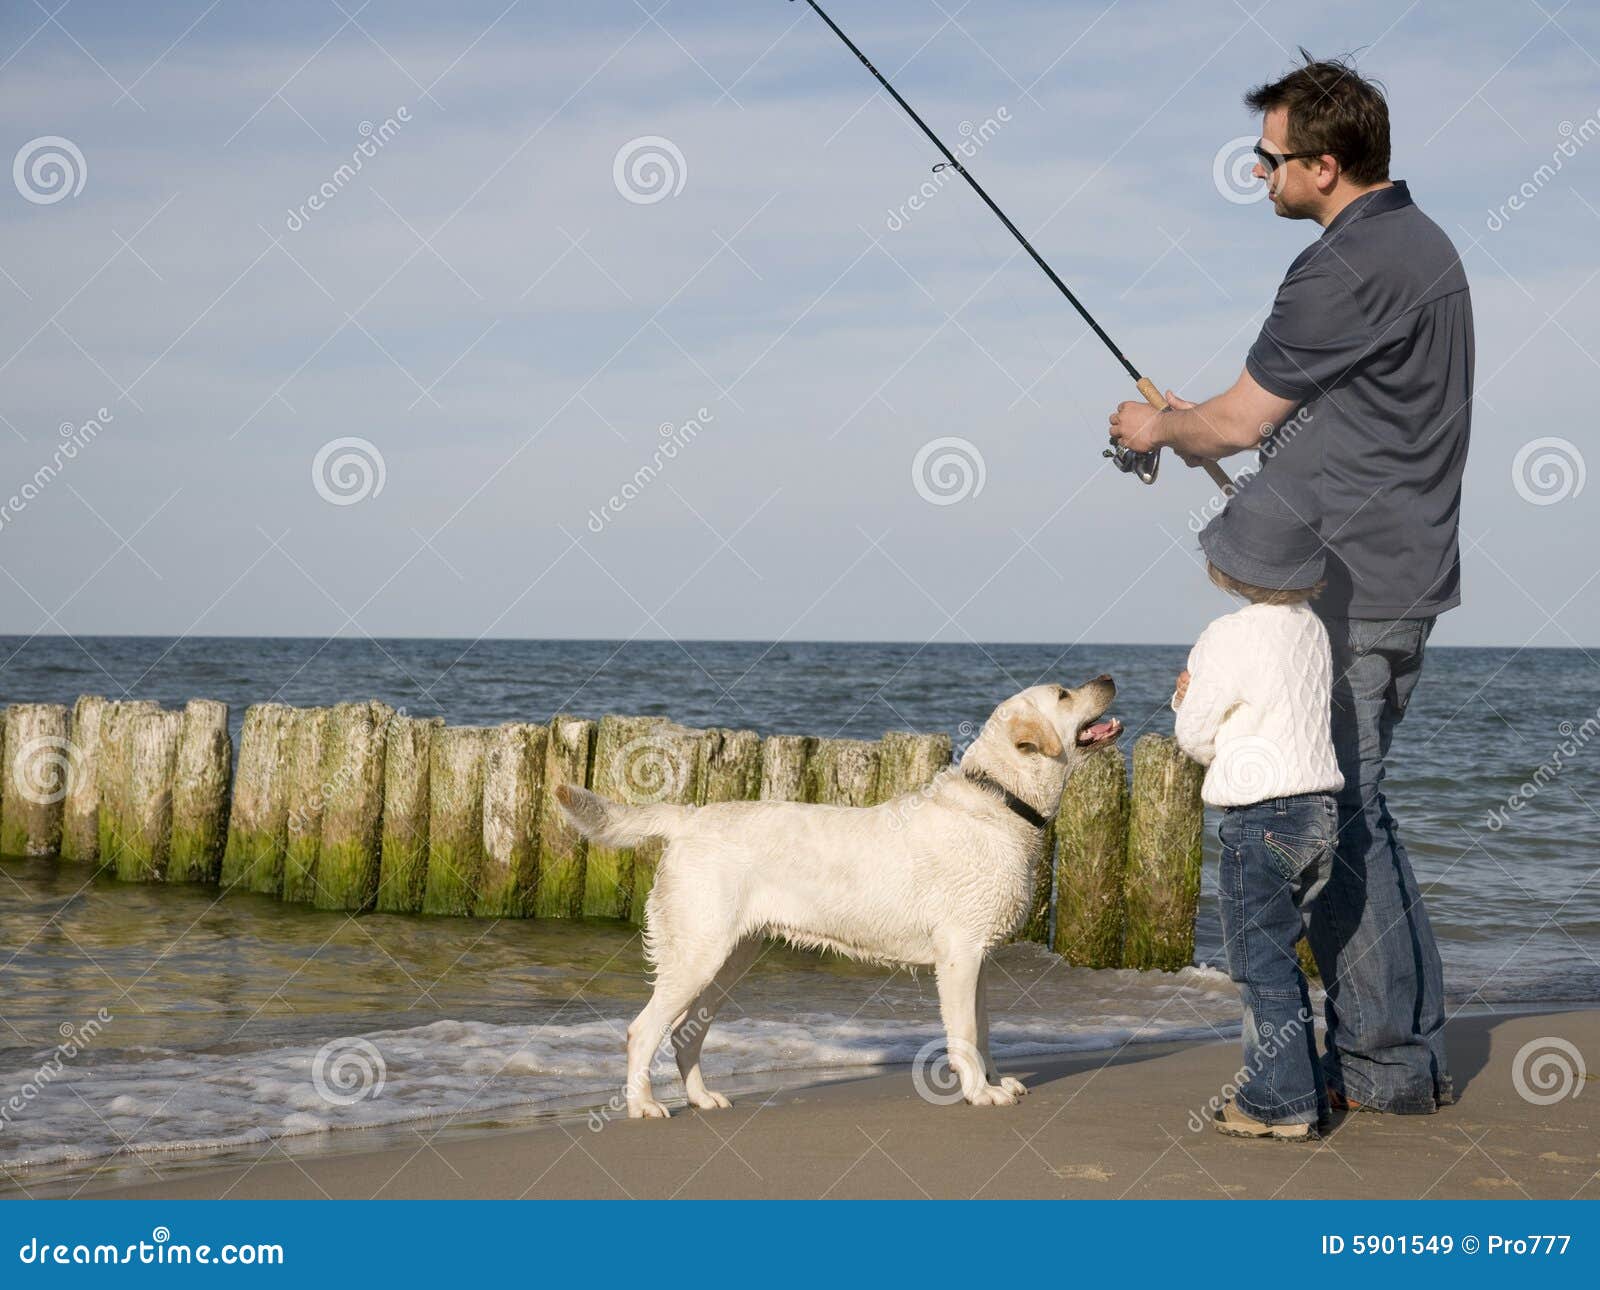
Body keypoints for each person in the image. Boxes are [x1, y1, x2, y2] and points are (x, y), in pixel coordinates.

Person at [1108, 52, 1469, 1114]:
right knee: (1359, 811)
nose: (1258, 176)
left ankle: (1384, 1068)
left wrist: (1156, 427)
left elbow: (1233, 420)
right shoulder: (1418, 243)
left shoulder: (1345, 265)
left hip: (1356, 582)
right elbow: (1351, 417)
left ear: (1323, 163)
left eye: (1269, 162)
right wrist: (1199, 429)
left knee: (1336, 817)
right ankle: (1391, 1059)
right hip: (1397, 564)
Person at [1174, 477, 1343, 1140]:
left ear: (1229, 567)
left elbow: (1192, 735)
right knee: (1282, 957)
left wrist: (1184, 700)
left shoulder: (1226, 635)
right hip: (1318, 815)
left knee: (1259, 964)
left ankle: (1282, 1103)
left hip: (1259, 819)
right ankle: (1293, 1090)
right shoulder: (1313, 631)